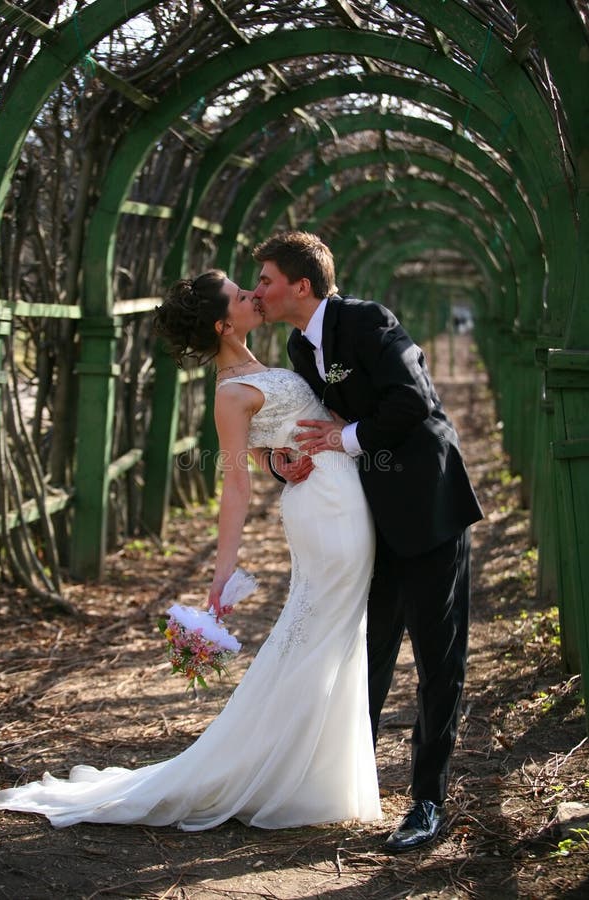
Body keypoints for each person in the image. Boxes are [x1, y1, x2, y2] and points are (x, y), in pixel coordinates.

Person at [0, 270, 381, 831]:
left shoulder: (265, 363)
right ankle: (288, 777)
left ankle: (313, 775)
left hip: (335, 495)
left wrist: (280, 456)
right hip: (326, 512)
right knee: (321, 633)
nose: (253, 295)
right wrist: (223, 573)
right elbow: (236, 482)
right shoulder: (230, 393)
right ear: (223, 324)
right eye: (240, 295)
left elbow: (275, 438)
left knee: (331, 634)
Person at [252, 232, 483, 852]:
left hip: (427, 506)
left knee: (438, 658)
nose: (258, 291)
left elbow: (414, 400)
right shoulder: (298, 346)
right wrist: (284, 463)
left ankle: (427, 801)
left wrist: (345, 438)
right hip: (365, 518)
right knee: (370, 649)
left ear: (301, 285)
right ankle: (351, 783)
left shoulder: (368, 321)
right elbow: (306, 425)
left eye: (267, 279)